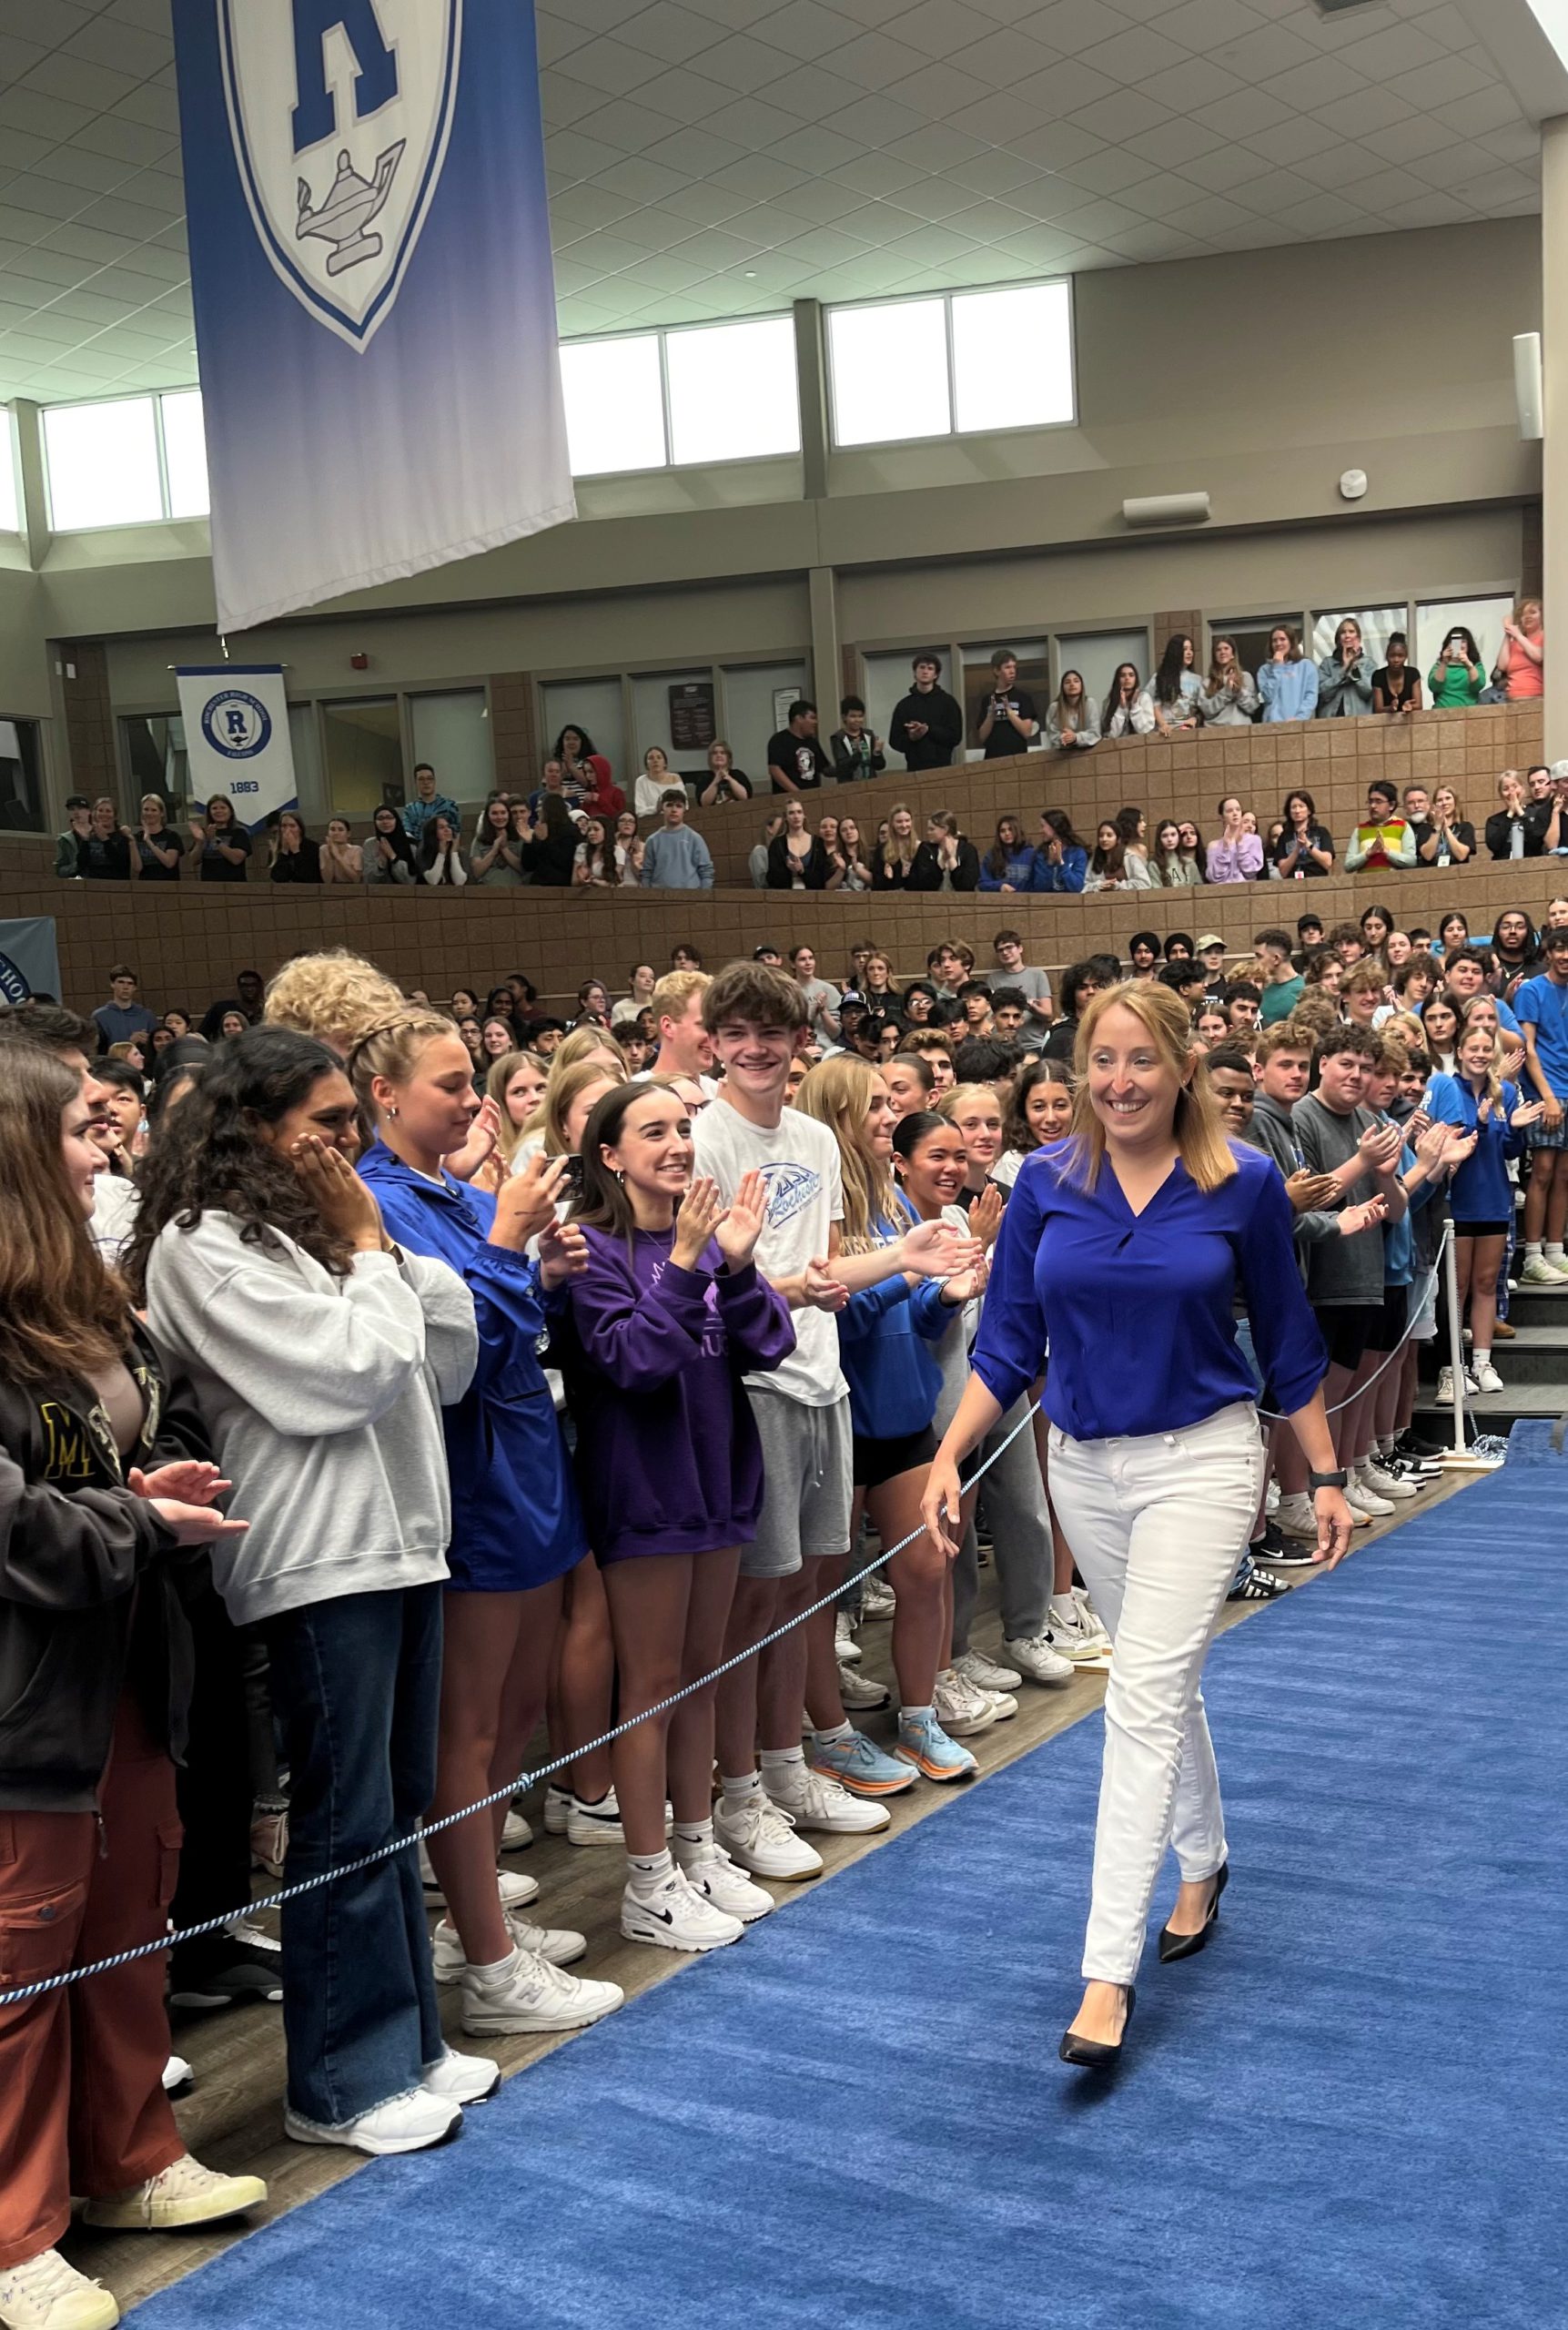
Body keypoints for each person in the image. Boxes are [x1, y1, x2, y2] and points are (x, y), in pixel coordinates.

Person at [924, 984, 1348, 2065]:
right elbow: (1009, 1338)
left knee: (1140, 1698)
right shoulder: (1044, 1186)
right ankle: (1202, 1857)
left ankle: (1103, 1975)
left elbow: (1289, 1340)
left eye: (1141, 1060)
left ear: (1180, 1070)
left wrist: (1328, 1471)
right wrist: (947, 1453)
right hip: (1083, 1466)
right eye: (1099, 1060)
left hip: (1204, 1459)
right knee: (1165, 1685)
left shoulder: (1241, 1181)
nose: (1118, 1082)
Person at [130, 1029, 495, 2155]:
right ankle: (339, 2081)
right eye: (328, 1123)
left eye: (353, 1121)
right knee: (344, 1816)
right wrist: (371, 1253)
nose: (351, 1142)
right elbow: (337, 1382)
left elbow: (447, 1360)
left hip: (403, 1542)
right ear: (252, 1128)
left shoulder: (327, 1232)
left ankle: (410, 2044)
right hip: (315, 1557)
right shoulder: (200, 1244)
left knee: (394, 1801)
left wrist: (375, 1248)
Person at [0, 1048, 269, 2330]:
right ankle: (13, 2228)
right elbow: (19, 1535)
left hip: (125, 1662)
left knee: (124, 1925)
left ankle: (125, 2159)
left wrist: (158, 1490)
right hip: (24, 1690)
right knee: (19, 1955)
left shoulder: (92, 1300)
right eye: (78, 1134)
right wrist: (139, 1518)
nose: (105, 1151)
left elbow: (166, 1424)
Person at [352, 1014, 624, 2033]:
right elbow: (448, 1350)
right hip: (471, 1474)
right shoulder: (377, 1205)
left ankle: (473, 1925)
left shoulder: (460, 1195)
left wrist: (544, 1269)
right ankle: (492, 1968)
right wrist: (511, 1242)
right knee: (466, 1728)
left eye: (472, 1080)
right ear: (385, 1093)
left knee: (513, 1711)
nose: (471, 1100)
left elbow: (516, 1318)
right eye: (451, 1083)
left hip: (528, 1459)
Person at [560, 1084, 796, 1950]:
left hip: (718, 1476)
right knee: (651, 1687)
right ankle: (648, 1880)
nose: (677, 1144)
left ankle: (696, 1851)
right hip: (646, 1490)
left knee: (702, 1671)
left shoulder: (698, 1239)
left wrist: (733, 1263)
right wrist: (694, 1260)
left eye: (684, 1129)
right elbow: (630, 1362)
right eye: (652, 1131)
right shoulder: (591, 1247)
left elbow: (769, 1341)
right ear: (609, 1156)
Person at [794, 1056, 983, 1785]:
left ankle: (918, 1717)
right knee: (818, 1591)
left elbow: (911, 1313)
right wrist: (904, 1274)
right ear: (838, 1114)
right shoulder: (820, 1208)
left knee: (926, 1568)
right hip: (840, 1415)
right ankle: (830, 1734)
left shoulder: (894, 1202)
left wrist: (943, 1295)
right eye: (872, 1105)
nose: (887, 1116)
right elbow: (827, 1318)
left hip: (903, 1409)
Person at [1425, 1024, 1542, 1396]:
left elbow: (1508, 1152)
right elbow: (1458, 1143)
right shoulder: (1446, 1089)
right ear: (1459, 1052)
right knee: (1456, 1287)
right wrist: (1481, 1121)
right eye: (1471, 1048)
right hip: (1456, 1199)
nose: (1478, 1054)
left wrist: (1516, 1130)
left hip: (1493, 1198)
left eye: (1484, 1048)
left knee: (1486, 1283)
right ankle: (1454, 1365)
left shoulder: (1505, 1092)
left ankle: (1482, 1361)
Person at [1512, 925, 1568, 1285]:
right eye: (1559, 949)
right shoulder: (1532, 990)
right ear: (1548, 952)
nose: (1565, 956)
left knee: (1565, 1175)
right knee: (1543, 1171)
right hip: (1545, 1093)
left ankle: (1555, 1250)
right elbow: (1527, 1047)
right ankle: (1533, 1254)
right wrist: (1547, 1096)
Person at [890, 650, 964, 770]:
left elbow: (956, 736)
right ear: (915, 672)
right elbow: (894, 741)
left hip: (943, 768)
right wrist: (912, 738)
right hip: (914, 769)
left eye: (930, 668)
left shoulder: (948, 702)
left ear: (935, 674)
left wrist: (929, 730)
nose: (925, 671)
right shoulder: (904, 705)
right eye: (922, 667)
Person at [641, 791, 714, 890]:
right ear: (662, 808)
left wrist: (703, 897)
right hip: (660, 898)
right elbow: (647, 872)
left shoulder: (695, 838)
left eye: (679, 806)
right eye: (669, 805)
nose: (674, 810)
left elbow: (706, 871)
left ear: (684, 810)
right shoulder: (652, 840)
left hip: (691, 896)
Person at [977, 648, 1038, 756]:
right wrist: (991, 715)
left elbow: (1027, 732)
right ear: (996, 670)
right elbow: (982, 737)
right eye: (1007, 667)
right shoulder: (987, 699)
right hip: (993, 758)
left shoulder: (1023, 697)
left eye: (1014, 667)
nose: (1012, 671)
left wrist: (1010, 713)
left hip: (1018, 757)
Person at [1346, 780, 1416, 872]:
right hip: (1367, 884)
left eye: (1378, 801)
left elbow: (1411, 862)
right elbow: (1348, 866)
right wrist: (1369, 853)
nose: (1373, 806)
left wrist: (1386, 851)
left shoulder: (1403, 826)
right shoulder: (1359, 830)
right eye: (1370, 802)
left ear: (1391, 805)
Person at [1258, 625, 1319, 723]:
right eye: (1274, 640)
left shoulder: (1306, 666)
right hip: (1271, 725)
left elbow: (1311, 696)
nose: (1278, 643)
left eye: (1282, 639)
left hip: (1297, 723)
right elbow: (1267, 696)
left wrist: (1300, 718)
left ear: (1291, 642)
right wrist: (1277, 666)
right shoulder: (1264, 670)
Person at [766, 702, 830, 795]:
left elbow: (824, 768)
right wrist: (797, 793)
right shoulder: (779, 740)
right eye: (812, 718)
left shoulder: (812, 742)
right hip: (788, 799)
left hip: (812, 797)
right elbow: (774, 769)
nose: (815, 722)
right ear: (799, 718)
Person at [765, 796, 829, 890]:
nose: (796, 816)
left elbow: (821, 879)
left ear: (804, 815)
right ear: (785, 817)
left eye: (799, 812)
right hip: (785, 897)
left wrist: (802, 871)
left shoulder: (818, 843)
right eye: (791, 813)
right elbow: (772, 879)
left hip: (813, 897)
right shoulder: (777, 844)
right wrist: (789, 870)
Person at [93, 964, 157, 1056]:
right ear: (112, 984)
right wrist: (129, 1042)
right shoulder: (100, 1016)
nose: (125, 987)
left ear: (135, 988)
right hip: (113, 1066)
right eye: (121, 982)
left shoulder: (147, 1015)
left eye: (130, 983)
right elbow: (97, 1051)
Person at [1317, 618, 1374, 718]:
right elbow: (1322, 694)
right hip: (1330, 723)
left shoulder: (1368, 663)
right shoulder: (1327, 664)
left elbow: (1368, 691)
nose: (1347, 635)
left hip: (1360, 723)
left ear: (1358, 638)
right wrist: (1343, 670)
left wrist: (1354, 667)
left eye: (1351, 632)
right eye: (1343, 632)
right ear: (1338, 639)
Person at [186, 795, 251, 881]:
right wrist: (199, 842)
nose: (219, 811)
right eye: (214, 808)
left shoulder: (239, 832)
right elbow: (193, 861)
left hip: (235, 886)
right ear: (209, 813)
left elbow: (236, 859)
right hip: (210, 887)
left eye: (223, 808)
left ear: (230, 811)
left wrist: (214, 840)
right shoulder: (203, 833)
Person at [911, 809, 979, 891]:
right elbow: (921, 884)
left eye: (932, 829)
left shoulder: (968, 850)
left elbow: (967, 885)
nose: (928, 832)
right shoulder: (925, 849)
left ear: (945, 829)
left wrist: (951, 859)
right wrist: (941, 863)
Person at [1272, 789, 1334, 878]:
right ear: (1289, 812)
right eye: (1294, 807)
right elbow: (1283, 872)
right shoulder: (1284, 837)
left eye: (1301, 806)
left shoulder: (1321, 832)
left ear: (1309, 810)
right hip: (1292, 884)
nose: (1297, 811)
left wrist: (1307, 844)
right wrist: (1297, 848)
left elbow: (1327, 863)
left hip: (1317, 881)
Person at [1491, 596, 1544, 701]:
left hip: (1537, 698)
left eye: (1532, 612)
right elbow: (1502, 666)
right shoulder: (1516, 642)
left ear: (1542, 616)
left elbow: (1539, 657)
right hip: (1512, 699)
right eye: (1523, 615)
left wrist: (1518, 635)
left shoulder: (1545, 636)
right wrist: (1508, 633)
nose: (1527, 616)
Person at [518, 795, 578, 887]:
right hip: (538, 885)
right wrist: (528, 842)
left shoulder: (571, 832)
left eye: (541, 806)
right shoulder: (539, 831)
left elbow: (564, 862)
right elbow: (528, 865)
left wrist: (545, 842)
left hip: (562, 887)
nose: (537, 810)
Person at [1199, 637, 1259, 725]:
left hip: (1241, 729)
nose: (1222, 652)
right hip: (1214, 731)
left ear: (1233, 654)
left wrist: (1238, 691)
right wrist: (1226, 692)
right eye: (1218, 650)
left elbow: (1253, 708)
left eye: (1226, 648)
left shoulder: (1245, 677)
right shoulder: (1207, 682)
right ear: (1214, 656)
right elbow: (1207, 711)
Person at [1150, 635, 1202, 734]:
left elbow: (1202, 709)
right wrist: (1163, 725)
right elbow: (1155, 706)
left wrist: (1194, 719)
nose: (1189, 653)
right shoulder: (1159, 677)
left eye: (1191, 649)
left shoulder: (1198, 680)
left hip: (1189, 731)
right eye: (1185, 649)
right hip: (1165, 732)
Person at [1206, 795, 1263, 883]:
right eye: (1229, 811)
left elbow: (1252, 872)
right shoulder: (1213, 845)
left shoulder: (1254, 840)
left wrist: (1240, 845)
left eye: (1238, 809)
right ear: (1221, 817)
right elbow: (1214, 877)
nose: (1235, 813)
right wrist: (1225, 849)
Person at [1427, 624, 1485, 709]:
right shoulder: (1439, 665)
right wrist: (1444, 663)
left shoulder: (1476, 665)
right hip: (1442, 714)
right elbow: (1434, 687)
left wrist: (1469, 665)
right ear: (1447, 644)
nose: (1459, 645)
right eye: (1454, 641)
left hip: (1469, 715)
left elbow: (1478, 685)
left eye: (1463, 641)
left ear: (1469, 645)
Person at [470, 798, 526, 886]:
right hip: (488, 892)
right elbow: (476, 872)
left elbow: (525, 869)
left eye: (503, 813)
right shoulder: (479, 840)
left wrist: (504, 849)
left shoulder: (520, 837)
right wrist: (494, 851)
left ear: (509, 814)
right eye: (494, 813)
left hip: (517, 891)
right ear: (487, 816)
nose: (500, 817)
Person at [127, 793, 183, 881]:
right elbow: (137, 868)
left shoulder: (172, 836)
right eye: (146, 809)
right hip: (146, 887)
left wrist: (149, 842)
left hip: (169, 887)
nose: (149, 813)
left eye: (153, 810)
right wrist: (132, 843)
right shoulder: (137, 837)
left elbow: (169, 863)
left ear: (161, 813)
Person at [400, 762, 460, 846]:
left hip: (445, 851)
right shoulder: (410, 809)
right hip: (419, 854)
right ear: (415, 782)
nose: (426, 782)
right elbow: (408, 835)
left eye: (429, 778)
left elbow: (456, 835)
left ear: (434, 781)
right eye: (421, 779)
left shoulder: (449, 805)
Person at [828, 697, 885, 784]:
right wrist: (857, 754)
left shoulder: (869, 735)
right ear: (844, 717)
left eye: (860, 716)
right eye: (853, 716)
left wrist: (877, 753)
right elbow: (842, 768)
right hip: (849, 787)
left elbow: (880, 766)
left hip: (871, 784)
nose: (857, 720)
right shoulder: (838, 737)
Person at [978, 813, 1038, 893]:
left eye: (1010, 829)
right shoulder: (992, 855)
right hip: (1001, 901)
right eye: (1002, 831)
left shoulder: (1031, 854)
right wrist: (999, 886)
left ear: (1017, 831)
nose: (1007, 834)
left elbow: (1038, 883)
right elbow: (983, 883)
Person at [1418, 785, 1475, 866]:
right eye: (1440, 800)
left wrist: (1445, 828)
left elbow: (1461, 856)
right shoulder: (1424, 828)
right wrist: (1438, 826)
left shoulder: (1466, 827)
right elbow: (1428, 856)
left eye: (1448, 798)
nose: (1444, 803)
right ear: (1434, 805)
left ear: (1455, 802)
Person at [1043, 669, 1099, 752]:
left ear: (1082, 685)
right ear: (1062, 687)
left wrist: (1076, 738)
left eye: (1076, 681)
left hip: (1088, 753)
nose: (1072, 684)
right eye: (1067, 682)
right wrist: (1066, 738)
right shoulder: (1054, 708)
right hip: (1062, 755)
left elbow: (1095, 733)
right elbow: (1052, 735)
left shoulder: (1090, 703)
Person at [362, 803, 419, 885]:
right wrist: (381, 864)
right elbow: (368, 882)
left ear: (397, 820)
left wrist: (392, 856)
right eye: (380, 818)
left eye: (389, 817)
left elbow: (410, 881)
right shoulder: (370, 844)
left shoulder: (409, 841)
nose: (385, 822)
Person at [1371, 631, 1422, 715]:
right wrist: (1390, 708)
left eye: (1400, 656)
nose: (1396, 660)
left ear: (1406, 656)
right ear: (1387, 656)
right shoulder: (1378, 676)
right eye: (1392, 655)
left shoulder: (1413, 674)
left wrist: (1409, 706)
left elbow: (1419, 706)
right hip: (1385, 726)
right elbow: (1377, 709)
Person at [1101, 664, 1154, 739]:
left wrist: (1135, 705)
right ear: (1117, 679)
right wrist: (1121, 708)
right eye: (1123, 675)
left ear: (1136, 679)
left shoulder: (1143, 697)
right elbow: (1111, 735)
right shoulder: (1109, 702)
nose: (1127, 678)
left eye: (1131, 675)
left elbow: (1145, 730)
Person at [268, 809, 322, 884]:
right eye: (284, 826)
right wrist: (284, 851)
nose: (288, 830)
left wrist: (296, 851)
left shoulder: (313, 847)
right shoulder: (276, 848)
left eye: (292, 826)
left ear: (300, 829)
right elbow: (278, 878)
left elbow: (309, 877)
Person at [419, 812, 468, 886]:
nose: (447, 830)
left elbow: (459, 882)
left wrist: (453, 853)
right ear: (432, 832)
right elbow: (433, 881)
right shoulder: (423, 852)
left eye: (448, 826)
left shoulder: (461, 852)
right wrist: (441, 854)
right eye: (441, 827)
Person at [319, 816, 363, 883]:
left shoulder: (356, 850)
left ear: (348, 834)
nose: (336, 833)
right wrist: (330, 856)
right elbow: (327, 881)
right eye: (332, 829)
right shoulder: (323, 849)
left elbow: (356, 879)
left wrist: (337, 856)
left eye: (340, 830)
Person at [633, 746, 674, 818]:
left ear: (665, 763)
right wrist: (656, 809)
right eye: (651, 758)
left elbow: (685, 805)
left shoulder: (675, 778)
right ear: (646, 765)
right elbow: (639, 812)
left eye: (659, 757)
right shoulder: (641, 781)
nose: (655, 760)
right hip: (651, 822)